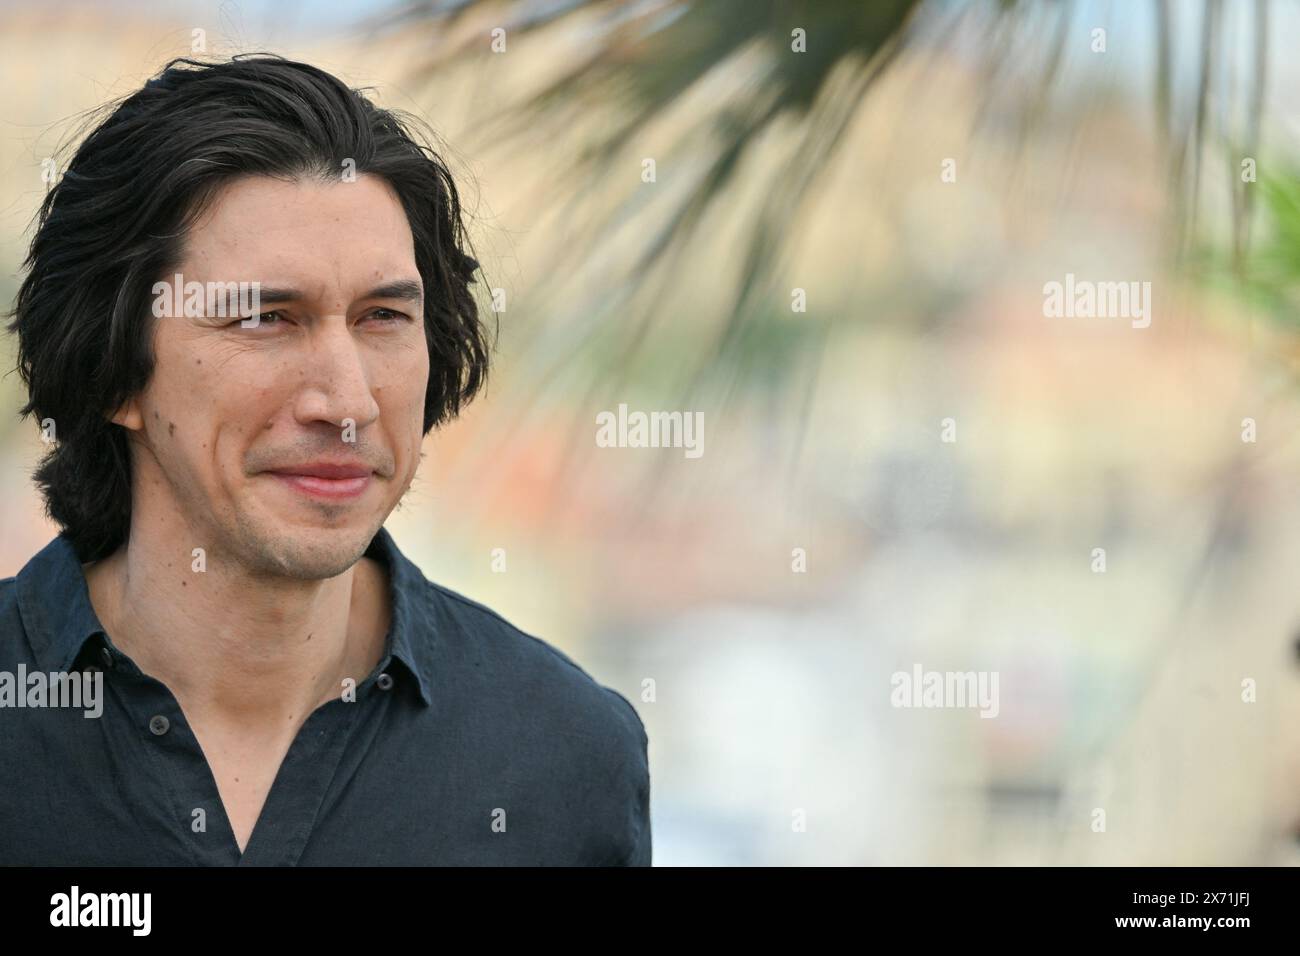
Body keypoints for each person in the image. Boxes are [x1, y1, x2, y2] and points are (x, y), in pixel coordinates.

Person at [0, 54, 650, 866]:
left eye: (382, 316)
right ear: (114, 367)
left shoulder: (564, 754)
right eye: (267, 318)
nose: (347, 404)